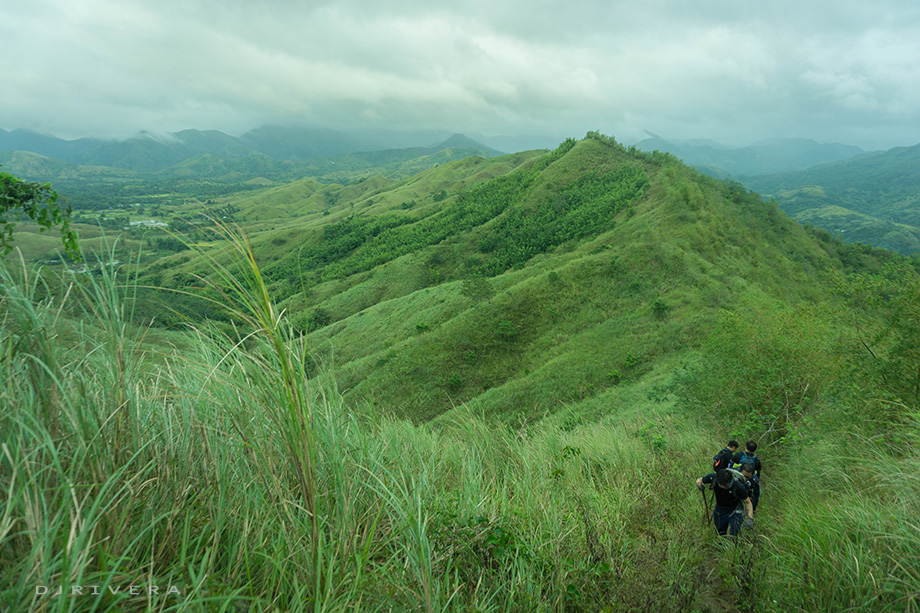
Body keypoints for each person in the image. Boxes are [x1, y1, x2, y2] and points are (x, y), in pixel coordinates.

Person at [696, 469, 755, 536]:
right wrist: (699, 484)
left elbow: (748, 503)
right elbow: (699, 479)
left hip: (736, 509)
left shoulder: (739, 487)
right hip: (720, 508)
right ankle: (720, 544)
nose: (723, 487)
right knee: (719, 531)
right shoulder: (714, 477)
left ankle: (735, 544)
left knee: (735, 531)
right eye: (721, 485)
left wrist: (750, 518)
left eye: (726, 485)